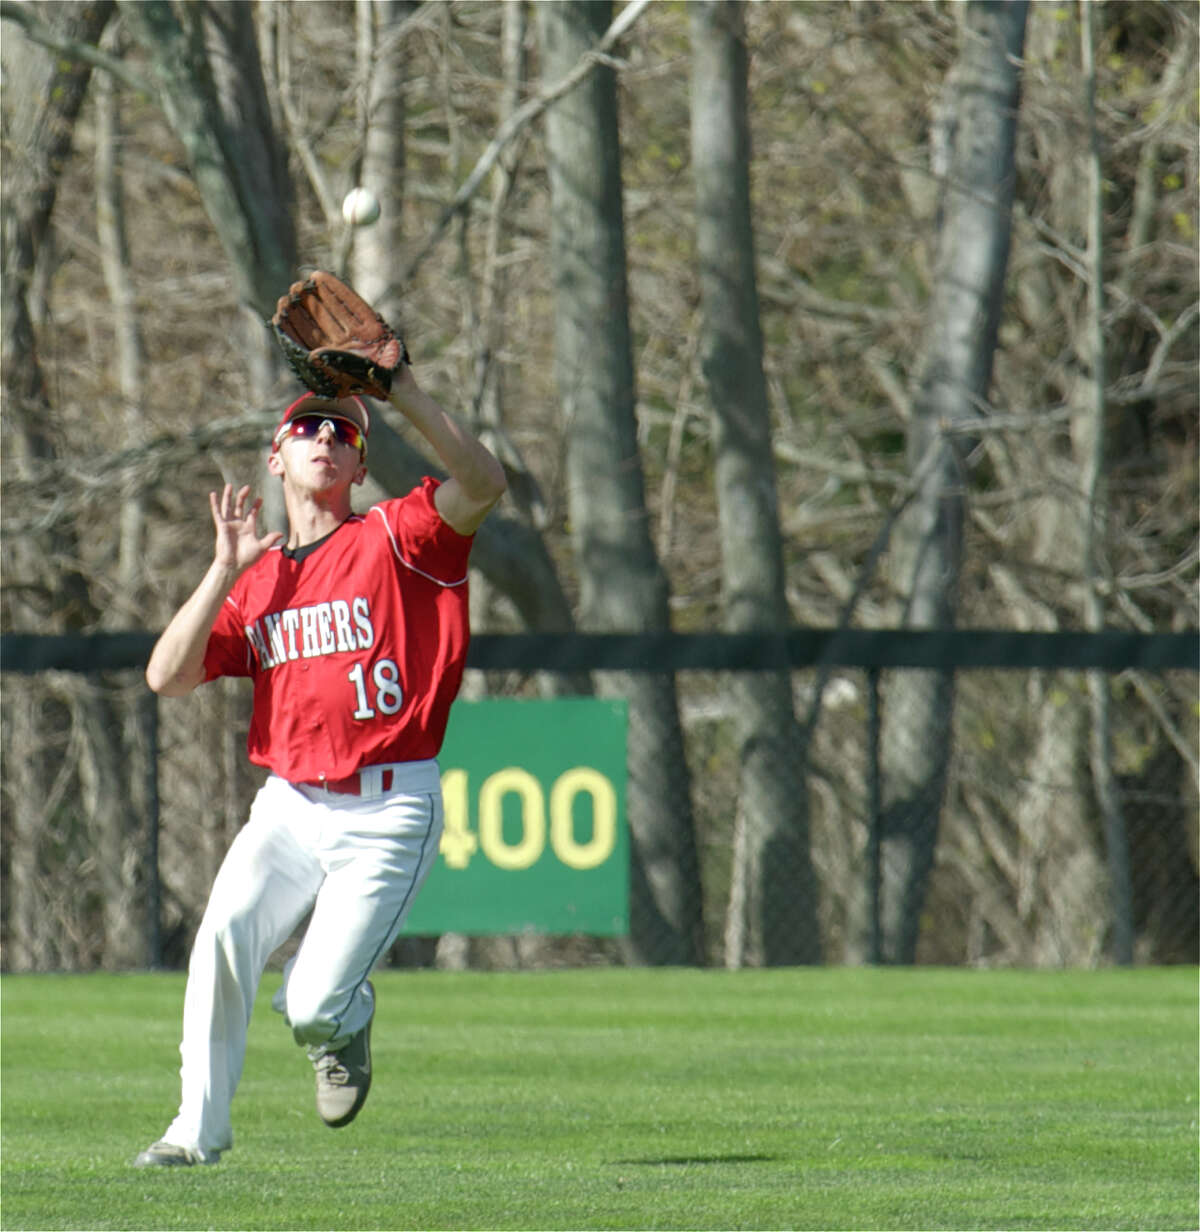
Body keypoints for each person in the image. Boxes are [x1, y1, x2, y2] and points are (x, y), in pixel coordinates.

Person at [133, 365, 506, 1167]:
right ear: (277, 457)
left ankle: (342, 1017)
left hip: (388, 810)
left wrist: (399, 389)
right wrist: (222, 570)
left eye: (344, 433)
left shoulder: (399, 536)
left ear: (360, 468)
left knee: (306, 1007)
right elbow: (167, 676)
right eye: (309, 428)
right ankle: (195, 1134)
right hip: (290, 808)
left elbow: (483, 479)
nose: (327, 438)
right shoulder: (256, 579)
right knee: (224, 935)